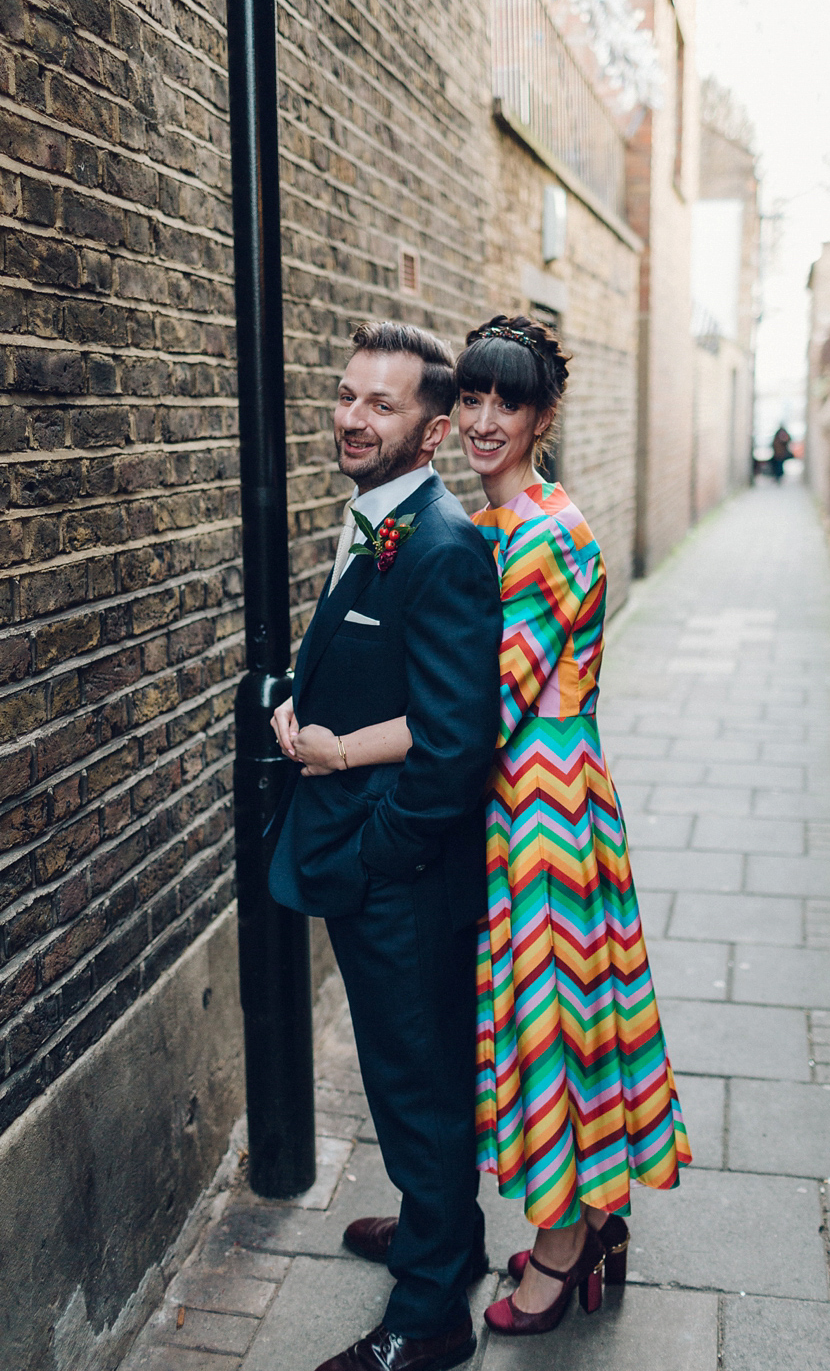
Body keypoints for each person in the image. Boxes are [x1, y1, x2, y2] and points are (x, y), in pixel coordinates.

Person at [292, 313, 692, 1345]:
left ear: (543, 415)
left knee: (555, 1027)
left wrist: (336, 751)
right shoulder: (502, 522)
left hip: (545, 809)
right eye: (468, 397)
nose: (479, 419)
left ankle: (567, 1248)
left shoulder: (544, 534)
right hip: (524, 795)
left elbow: (470, 712)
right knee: (534, 1026)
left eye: (503, 402)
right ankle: (528, 1226)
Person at [268, 321, 503, 1371]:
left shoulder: (444, 545)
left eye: (383, 404)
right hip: (373, 858)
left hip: (401, 878)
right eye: (348, 395)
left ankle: (428, 1316)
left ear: (434, 430)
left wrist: (377, 864)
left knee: (419, 1085)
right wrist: (296, 705)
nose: (354, 418)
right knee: (410, 1071)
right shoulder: (378, 520)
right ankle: (439, 1239)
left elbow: (454, 745)